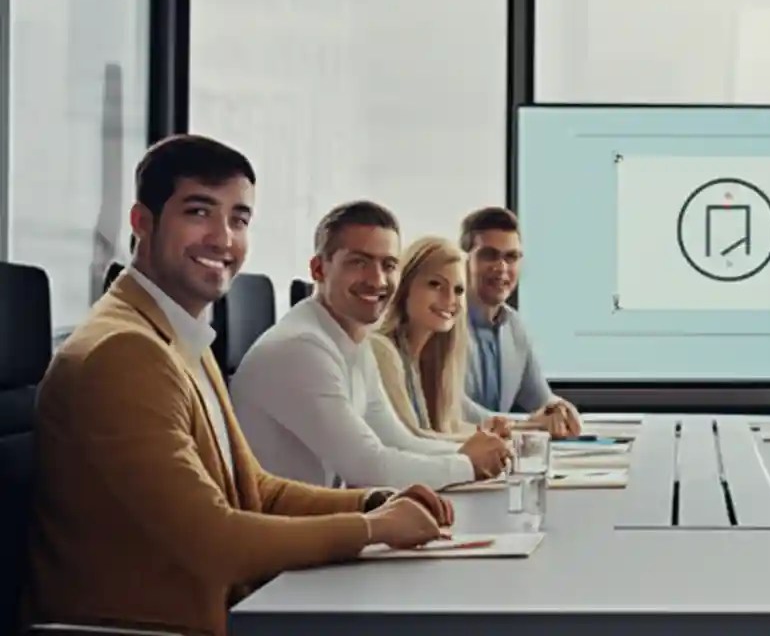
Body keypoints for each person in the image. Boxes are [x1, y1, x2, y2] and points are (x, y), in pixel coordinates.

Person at [27, 136, 452, 636]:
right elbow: (215, 542)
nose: (222, 238)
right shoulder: (123, 352)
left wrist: (371, 501)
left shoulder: (179, 335)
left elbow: (257, 491)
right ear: (142, 222)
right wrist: (372, 529)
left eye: (239, 219)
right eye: (199, 212)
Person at [232, 201, 511, 492]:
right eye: (358, 262)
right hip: (289, 531)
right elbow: (370, 469)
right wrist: (468, 464)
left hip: (324, 521)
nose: (377, 279)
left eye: (388, 265)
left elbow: (397, 441)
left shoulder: (355, 341)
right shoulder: (300, 348)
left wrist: (478, 454)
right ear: (318, 269)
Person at [370, 235, 512, 439]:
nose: (450, 299)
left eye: (459, 290)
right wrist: (487, 440)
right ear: (404, 287)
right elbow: (411, 439)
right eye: (435, 284)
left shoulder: (435, 360)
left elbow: (449, 429)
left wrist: (496, 433)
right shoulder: (381, 350)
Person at [460, 207, 582, 437]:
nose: (502, 268)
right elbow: (451, 409)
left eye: (511, 257)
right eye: (489, 255)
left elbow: (540, 400)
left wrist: (559, 410)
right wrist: (525, 424)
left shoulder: (514, 325)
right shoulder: (443, 322)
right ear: (464, 260)